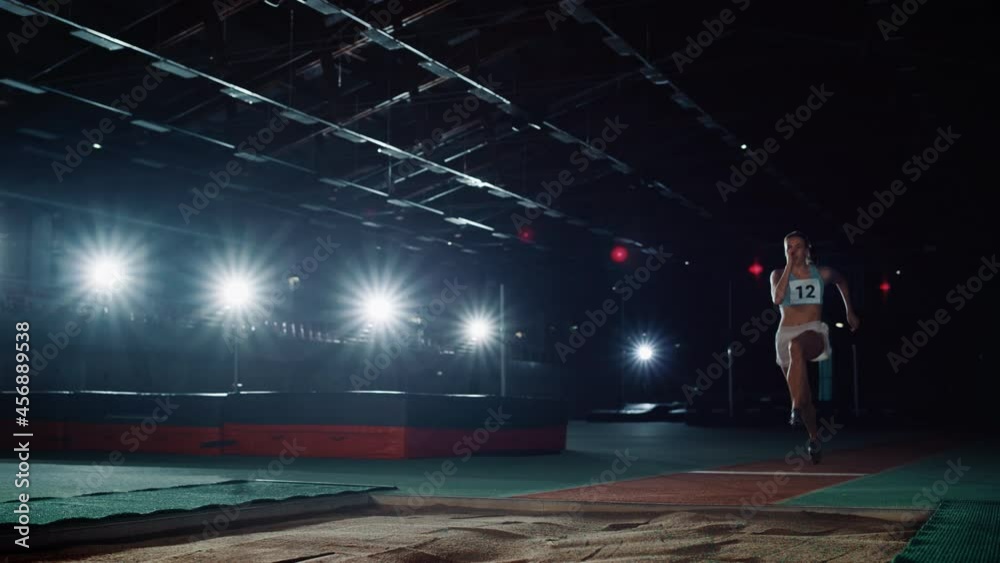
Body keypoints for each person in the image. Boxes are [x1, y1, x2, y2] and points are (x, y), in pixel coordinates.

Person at [770, 231, 859, 463]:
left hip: (813, 331)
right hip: (785, 333)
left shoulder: (822, 273)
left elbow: (841, 280)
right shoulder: (778, 274)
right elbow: (777, 299)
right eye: (789, 247)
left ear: (807, 248)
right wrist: (789, 266)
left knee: (796, 346)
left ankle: (794, 407)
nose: (793, 250)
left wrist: (849, 311)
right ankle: (813, 437)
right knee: (805, 399)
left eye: (798, 246)